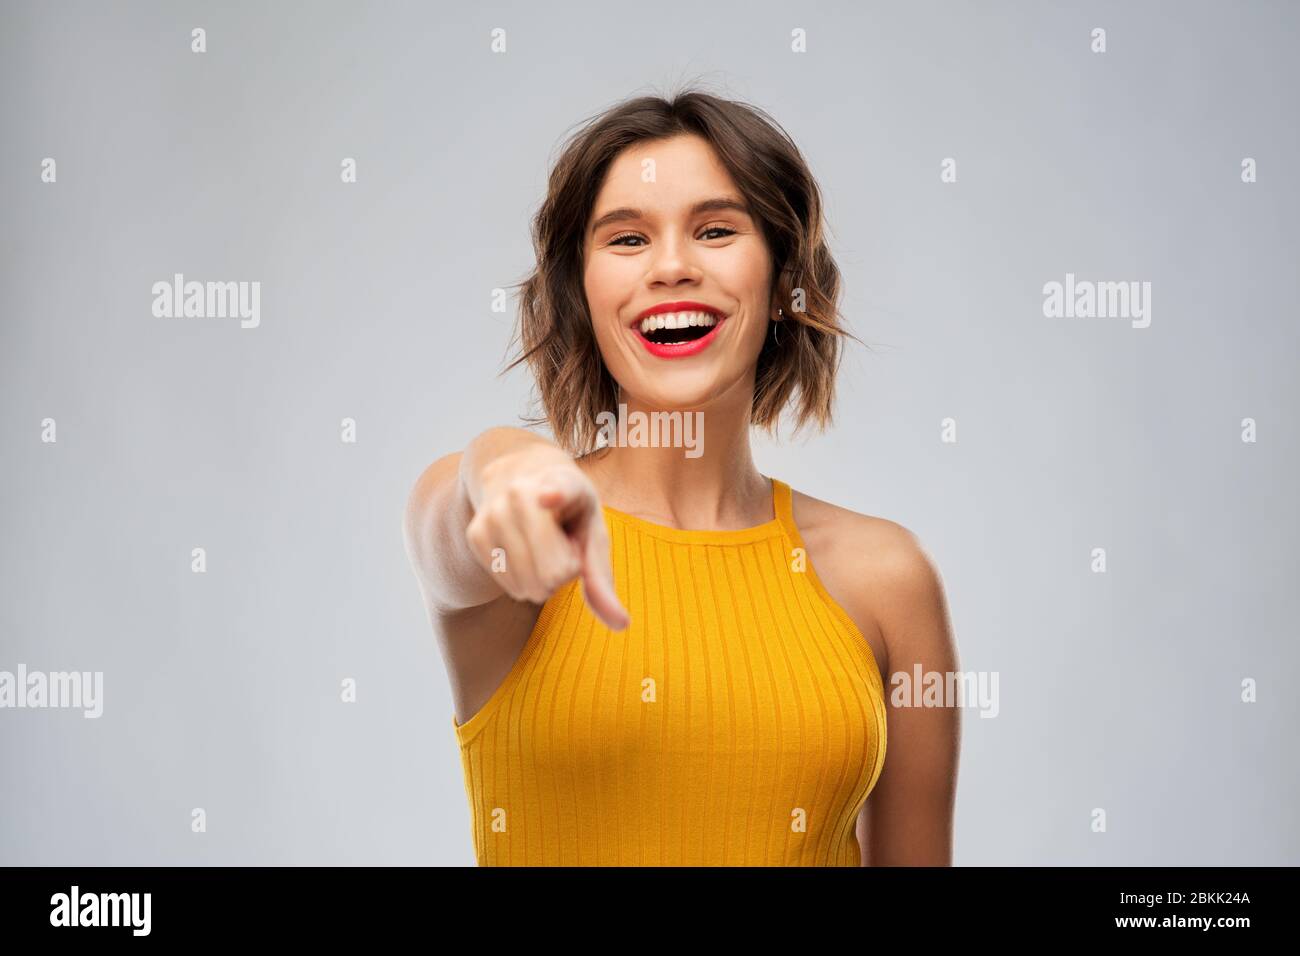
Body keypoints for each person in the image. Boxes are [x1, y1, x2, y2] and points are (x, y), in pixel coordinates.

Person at [403, 88, 959, 866]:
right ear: (582, 292)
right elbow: (446, 524)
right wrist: (502, 463)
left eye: (716, 230)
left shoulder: (885, 577)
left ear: (782, 281)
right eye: (627, 239)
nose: (671, 266)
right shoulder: (523, 541)